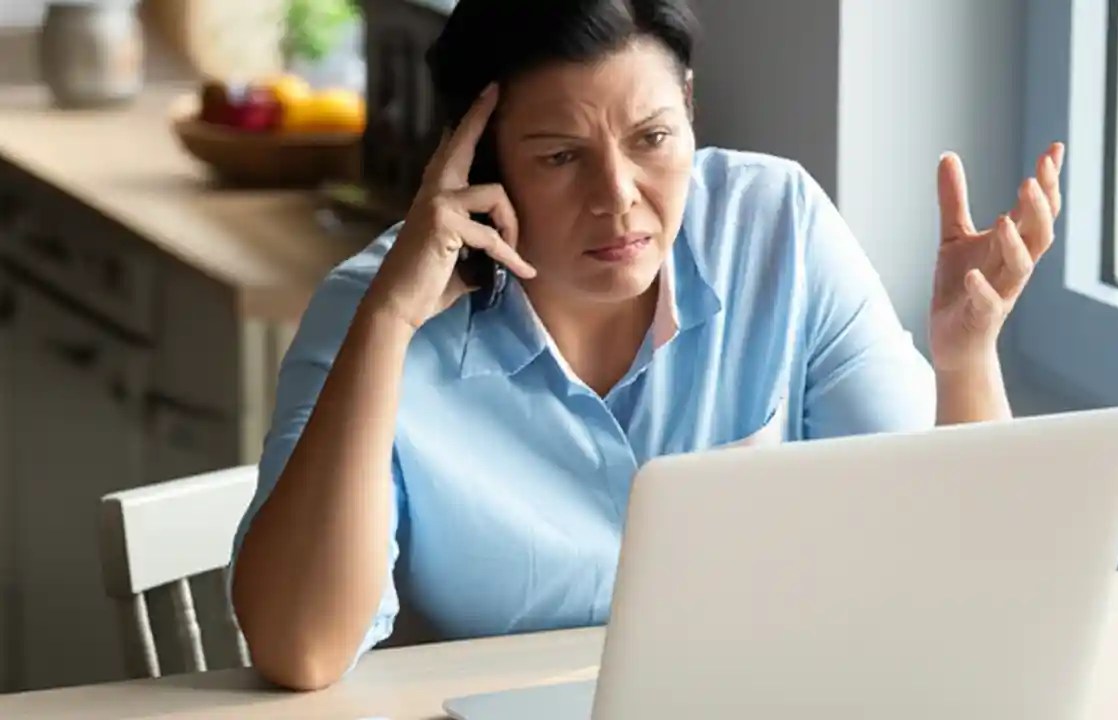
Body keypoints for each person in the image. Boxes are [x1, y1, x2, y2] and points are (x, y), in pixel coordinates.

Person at [229, 0, 1065, 691]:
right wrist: (388, 325)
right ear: (479, 164)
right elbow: (301, 651)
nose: (618, 197)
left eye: (653, 139)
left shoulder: (776, 226)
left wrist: (966, 357)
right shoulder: (375, 308)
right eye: (561, 157)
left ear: (689, 110)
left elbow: (950, 573)